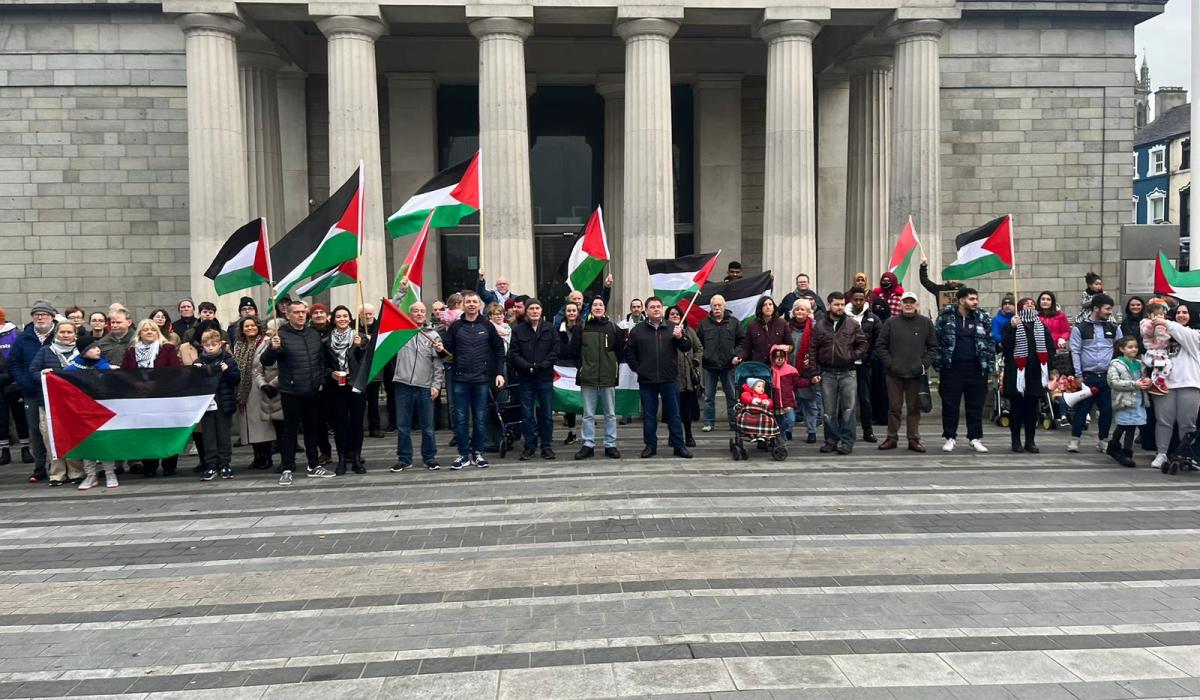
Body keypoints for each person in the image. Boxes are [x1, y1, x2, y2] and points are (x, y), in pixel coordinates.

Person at [261, 299, 337, 484]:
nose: (301, 315)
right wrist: (273, 348)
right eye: (296, 312)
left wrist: (320, 381)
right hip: (291, 391)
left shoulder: (313, 333)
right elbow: (266, 361)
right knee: (290, 431)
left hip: (312, 390)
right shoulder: (281, 335)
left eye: (303, 312)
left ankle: (313, 465)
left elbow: (320, 360)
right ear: (288, 315)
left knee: (312, 430)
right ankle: (287, 467)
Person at [442, 291, 506, 470]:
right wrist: (440, 349)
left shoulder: (487, 325)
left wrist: (499, 373)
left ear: (479, 305)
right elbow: (446, 353)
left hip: (481, 380)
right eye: (468, 301)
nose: (471, 304)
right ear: (463, 305)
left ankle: (477, 453)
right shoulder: (455, 327)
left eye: (474, 302)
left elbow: (499, 350)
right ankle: (463, 454)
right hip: (460, 379)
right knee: (461, 419)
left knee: (480, 418)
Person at [624, 297, 693, 458]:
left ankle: (679, 446)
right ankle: (650, 445)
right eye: (652, 307)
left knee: (674, 414)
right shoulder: (638, 330)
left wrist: (680, 337)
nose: (656, 309)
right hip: (647, 380)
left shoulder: (672, 327)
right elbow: (629, 352)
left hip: (669, 379)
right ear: (646, 311)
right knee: (649, 415)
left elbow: (686, 346)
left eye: (658, 306)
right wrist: (639, 369)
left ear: (662, 309)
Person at [933, 287, 995, 453]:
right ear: (961, 300)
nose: (975, 302)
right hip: (952, 368)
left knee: (975, 405)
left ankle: (975, 438)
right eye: (971, 299)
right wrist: (939, 361)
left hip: (976, 368)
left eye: (976, 299)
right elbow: (935, 339)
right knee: (950, 405)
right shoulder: (946, 316)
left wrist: (988, 363)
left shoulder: (983, 317)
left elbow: (990, 341)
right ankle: (950, 437)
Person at [875, 291, 936, 452]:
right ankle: (891, 438)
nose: (908, 304)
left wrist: (923, 364)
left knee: (914, 409)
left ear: (917, 305)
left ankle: (913, 439)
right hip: (894, 374)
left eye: (911, 302)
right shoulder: (891, 322)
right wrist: (890, 364)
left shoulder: (925, 323)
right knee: (894, 408)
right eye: (905, 302)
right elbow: (880, 345)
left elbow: (933, 347)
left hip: (916, 374)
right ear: (900, 304)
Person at [810, 291, 869, 454]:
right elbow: (812, 349)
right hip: (827, 372)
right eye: (836, 304)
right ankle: (831, 440)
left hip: (847, 372)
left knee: (849, 409)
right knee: (829, 411)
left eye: (842, 304)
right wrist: (814, 371)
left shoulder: (852, 324)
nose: (840, 307)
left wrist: (852, 356)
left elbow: (863, 344)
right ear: (829, 305)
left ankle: (847, 442)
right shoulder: (820, 325)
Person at [121, 318, 182, 476]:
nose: (149, 332)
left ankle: (169, 465)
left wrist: (156, 384)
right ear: (139, 333)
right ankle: (149, 465)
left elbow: (175, 371)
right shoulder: (131, 351)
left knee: (166, 432)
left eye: (153, 329)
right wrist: (136, 384)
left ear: (158, 332)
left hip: (163, 397)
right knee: (146, 433)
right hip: (141, 399)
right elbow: (124, 372)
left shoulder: (167, 348)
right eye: (145, 329)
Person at [28, 321, 86, 486]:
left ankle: (76, 471)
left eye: (69, 332)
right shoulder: (45, 351)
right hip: (49, 404)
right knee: (51, 438)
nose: (65, 335)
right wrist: (43, 375)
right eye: (62, 332)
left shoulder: (81, 353)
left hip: (74, 405)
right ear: (56, 334)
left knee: (73, 437)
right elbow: (32, 371)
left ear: (75, 335)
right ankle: (57, 473)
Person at [391, 302, 445, 471]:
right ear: (409, 314)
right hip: (403, 384)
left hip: (425, 386)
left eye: (422, 311)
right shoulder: (400, 332)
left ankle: (429, 458)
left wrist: (436, 385)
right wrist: (402, 291)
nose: (420, 313)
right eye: (416, 311)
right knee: (403, 426)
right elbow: (391, 310)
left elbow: (438, 363)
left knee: (427, 426)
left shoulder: (433, 335)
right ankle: (404, 459)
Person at [8, 300, 57, 482]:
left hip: (57, 391)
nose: (40, 317)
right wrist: (23, 382)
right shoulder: (23, 338)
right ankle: (39, 467)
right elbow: (14, 363)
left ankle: (57, 466)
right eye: (36, 314)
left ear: (51, 316)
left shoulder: (60, 334)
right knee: (35, 429)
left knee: (55, 429)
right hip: (32, 392)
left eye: (44, 314)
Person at [1148, 303, 1200, 470]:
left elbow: (1184, 334)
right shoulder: (1163, 334)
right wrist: (1151, 360)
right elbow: (1150, 351)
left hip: (1189, 383)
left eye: (1185, 312)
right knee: (1163, 421)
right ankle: (1161, 453)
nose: (1181, 315)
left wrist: (1166, 322)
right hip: (1164, 384)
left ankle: (1186, 455)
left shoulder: (1195, 334)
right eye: (1178, 312)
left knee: (1187, 424)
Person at [571, 296, 624, 459]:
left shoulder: (613, 328)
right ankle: (588, 445)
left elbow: (620, 352)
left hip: (608, 377)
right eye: (595, 304)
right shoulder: (581, 327)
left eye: (601, 304)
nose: (598, 307)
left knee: (610, 414)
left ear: (604, 309)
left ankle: (610, 445)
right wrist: (583, 367)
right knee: (588, 414)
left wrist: (611, 367)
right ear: (591, 308)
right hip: (588, 377)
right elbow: (574, 351)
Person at [1068, 293, 1121, 453]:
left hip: (1107, 376)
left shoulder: (1114, 327)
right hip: (1087, 376)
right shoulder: (1079, 328)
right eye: (1107, 309)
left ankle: (1103, 440)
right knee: (1082, 409)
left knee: (1106, 410)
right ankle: (1075, 439)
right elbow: (1075, 352)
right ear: (1096, 308)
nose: (1110, 312)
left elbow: (1120, 349)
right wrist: (1078, 375)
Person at [64, 336, 117, 490]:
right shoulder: (71, 369)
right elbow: (62, 383)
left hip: (103, 409)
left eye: (98, 347)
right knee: (87, 441)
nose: (98, 350)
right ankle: (90, 475)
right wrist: (49, 374)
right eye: (93, 348)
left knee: (105, 441)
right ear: (83, 351)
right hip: (83, 411)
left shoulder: (106, 367)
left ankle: (110, 473)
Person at [1000, 306, 1055, 454]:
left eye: (1032, 303)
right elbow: (1005, 346)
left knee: (1032, 410)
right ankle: (1016, 441)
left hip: (1035, 374)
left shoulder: (1041, 326)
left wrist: (1047, 366)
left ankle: (1030, 441)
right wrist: (1012, 327)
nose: (1030, 305)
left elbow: (1050, 347)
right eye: (1026, 303)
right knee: (1016, 409)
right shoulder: (1011, 324)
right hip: (1017, 373)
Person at [510, 298, 558, 460]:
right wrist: (527, 366)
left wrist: (542, 366)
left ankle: (546, 446)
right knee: (527, 414)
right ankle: (529, 446)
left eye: (537, 308)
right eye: (531, 308)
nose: (534, 311)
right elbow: (514, 353)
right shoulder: (518, 330)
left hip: (545, 378)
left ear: (541, 310)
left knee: (546, 415)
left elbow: (555, 351)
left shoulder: (550, 328)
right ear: (527, 311)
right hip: (526, 379)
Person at [322, 306, 367, 475]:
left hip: (355, 384)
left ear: (350, 319)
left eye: (345, 316)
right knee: (339, 423)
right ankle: (341, 459)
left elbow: (367, 362)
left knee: (357, 423)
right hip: (336, 386)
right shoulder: (326, 341)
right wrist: (330, 373)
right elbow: (323, 364)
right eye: (338, 316)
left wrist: (359, 347)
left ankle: (356, 459)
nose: (342, 319)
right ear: (333, 320)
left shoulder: (360, 337)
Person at [191, 329, 239, 481]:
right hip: (206, 404)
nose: (210, 348)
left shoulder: (228, 360)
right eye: (207, 345)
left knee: (223, 435)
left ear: (220, 344)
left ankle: (225, 463)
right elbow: (192, 384)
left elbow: (235, 380)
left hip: (223, 401)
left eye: (213, 344)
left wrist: (227, 371)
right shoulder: (198, 362)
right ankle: (211, 464)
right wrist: (196, 373)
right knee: (209, 435)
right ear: (202, 346)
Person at [697, 294, 744, 432]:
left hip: (728, 365)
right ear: (711, 307)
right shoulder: (703, 323)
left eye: (719, 305)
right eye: (714, 306)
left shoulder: (734, 322)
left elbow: (742, 341)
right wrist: (705, 354)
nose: (717, 308)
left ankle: (734, 423)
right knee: (708, 397)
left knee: (732, 397)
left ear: (724, 306)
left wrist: (736, 354)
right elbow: (698, 342)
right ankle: (708, 423)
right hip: (709, 366)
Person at [231, 317, 272, 471]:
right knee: (248, 425)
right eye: (246, 326)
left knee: (261, 425)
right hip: (243, 388)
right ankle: (257, 456)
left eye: (252, 325)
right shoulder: (238, 345)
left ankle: (266, 457)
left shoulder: (265, 342)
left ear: (258, 326)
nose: (250, 328)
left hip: (259, 386)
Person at [845, 289, 882, 442]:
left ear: (865, 300)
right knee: (845, 401)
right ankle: (845, 431)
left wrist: (871, 358)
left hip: (864, 364)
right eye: (856, 299)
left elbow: (880, 340)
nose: (858, 302)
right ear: (851, 300)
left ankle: (868, 431)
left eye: (861, 299)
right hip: (846, 364)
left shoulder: (873, 318)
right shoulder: (844, 317)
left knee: (865, 399)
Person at [1107, 336, 1150, 468]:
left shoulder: (1140, 364)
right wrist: (1133, 384)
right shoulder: (1116, 364)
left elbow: (1145, 379)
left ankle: (1126, 452)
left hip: (1137, 400)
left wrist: (1147, 382)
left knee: (1132, 426)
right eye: (1130, 347)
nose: (1134, 349)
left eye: (1135, 347)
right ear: (1122, 349)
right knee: (1123, 425)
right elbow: (1113, 382)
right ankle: (1115, 446)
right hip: (1124, 401)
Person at [248, 318, 282, 472]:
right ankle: (262, 457)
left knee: (283, 430)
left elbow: (287, 368)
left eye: (271, 328)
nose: (267, 331)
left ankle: (286, 461)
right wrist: (263, 384)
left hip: (280, 390)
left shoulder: (283, 343)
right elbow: (258, 368)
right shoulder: (266, 344)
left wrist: (273, 384)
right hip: (266, 390)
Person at [667, 305, 703, 447]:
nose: (675, 316)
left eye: (677, 314)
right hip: (670, 377)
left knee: (687, 411)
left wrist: (695, 361)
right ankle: (673, 436)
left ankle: (688, 435)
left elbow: (699, 348)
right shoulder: (664, 331)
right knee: (672, 410)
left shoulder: (689, 331)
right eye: (672, 314)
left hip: (687, 378)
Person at [0, 308, 32, 466]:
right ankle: (4, 449)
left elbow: (21, 358)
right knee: (1, 417)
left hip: (15, 383)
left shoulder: (16, 334)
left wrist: (15, 376)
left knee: (20, 416)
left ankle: (25, 448)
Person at [789, 299, 823, 443]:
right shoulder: (788, 327)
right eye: (797, 309)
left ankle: (811, 431)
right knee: (789, 403)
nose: (799, 312)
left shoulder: (815, 328)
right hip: (790, 370)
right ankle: (788, 430)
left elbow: (820, 349)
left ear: (808, 312)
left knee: (810, 403)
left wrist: (813, 361)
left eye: (803, 309)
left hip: (808, 371)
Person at [358, 304, 395, 438]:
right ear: (359, 315)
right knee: (359, 401)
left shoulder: (380, 326)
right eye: (365, 314)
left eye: (370, 314)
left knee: (373, 400)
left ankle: (375, 427)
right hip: (359, 369)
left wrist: (373, 339)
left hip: (376, 368)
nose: (368, 316)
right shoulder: (354, 326)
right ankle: (358, 428)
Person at [738, 297, 790, 365]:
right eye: (765, 305)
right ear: (760, 308)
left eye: (770, 304)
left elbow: (791, 346)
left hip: (777, 366)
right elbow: (746, 348)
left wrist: (787, 348)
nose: (768, 307)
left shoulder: (783, 323)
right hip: (758, 366)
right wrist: (740, 357)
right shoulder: (752, 325)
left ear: (774, 308)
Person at [558, 301, 582, 444]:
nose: (571, 313)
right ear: (565, 312)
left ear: (578, 312)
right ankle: (572, 432)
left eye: (574, 310)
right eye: (569, 310)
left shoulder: (584, 327)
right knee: (569, 403)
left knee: (584, 401)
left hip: (580, 367)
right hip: (564, 368)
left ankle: (587, 434)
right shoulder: (558, 328)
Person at [769, 345, 802, 443]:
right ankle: (781, 442)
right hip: (776, 402)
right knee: (778, 422)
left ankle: (779, 433)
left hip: (788, 401)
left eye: (781, 357)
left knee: (791, 420)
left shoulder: (791, 370)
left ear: (785, 357)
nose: (779, 360)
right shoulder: (770, 371)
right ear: (773, 358)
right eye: (777, 358)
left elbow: (798, 382)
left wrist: (810, 381)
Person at [1141, 299, 1172, 395]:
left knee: (1160, 366)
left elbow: (1166, 336)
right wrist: (1154, 324)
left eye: (1161, 314)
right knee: (1166, 364)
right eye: (1157, 315)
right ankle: (1159, 381)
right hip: (1153, 350)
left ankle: (1156, 383)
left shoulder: (1165, 324)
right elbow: (1147, 332)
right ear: (1149, 315)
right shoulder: (1147, 323)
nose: (1160, 317)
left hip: (1161, 350)